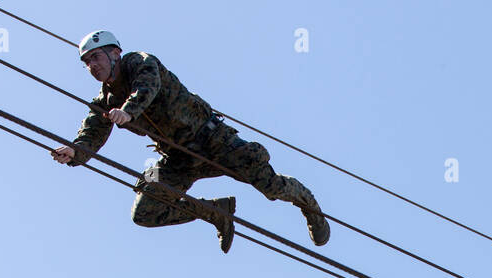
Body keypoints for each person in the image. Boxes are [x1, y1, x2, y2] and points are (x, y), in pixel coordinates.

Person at [49, 30, 330, 252]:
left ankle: (309, 206)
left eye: (96, 57)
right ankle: (216, 212)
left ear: (115, 53)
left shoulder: (140, 62)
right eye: (86, 62)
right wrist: (74, 153)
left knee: (271, 187)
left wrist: (128, 111)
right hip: (178, 158)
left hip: (211, 141)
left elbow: (147, 87)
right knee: (145, 212)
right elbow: (91, 134)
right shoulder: (106, 100)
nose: (92, 66)